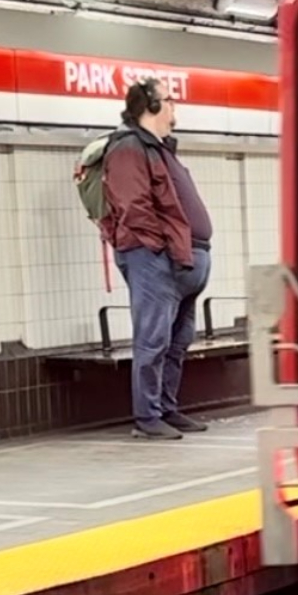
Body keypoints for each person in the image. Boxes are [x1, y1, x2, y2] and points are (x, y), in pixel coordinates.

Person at [100, 78, 214, 440]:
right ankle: (147, 417)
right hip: (157, 261)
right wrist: (162, 250)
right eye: (169, 99)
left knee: (176, 342)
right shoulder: (129, 147)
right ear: (150, 106)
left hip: (184, 260)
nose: (174, 105)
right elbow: (133, 206)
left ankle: (166, 408)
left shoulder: (159, 149)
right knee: (152, 341)